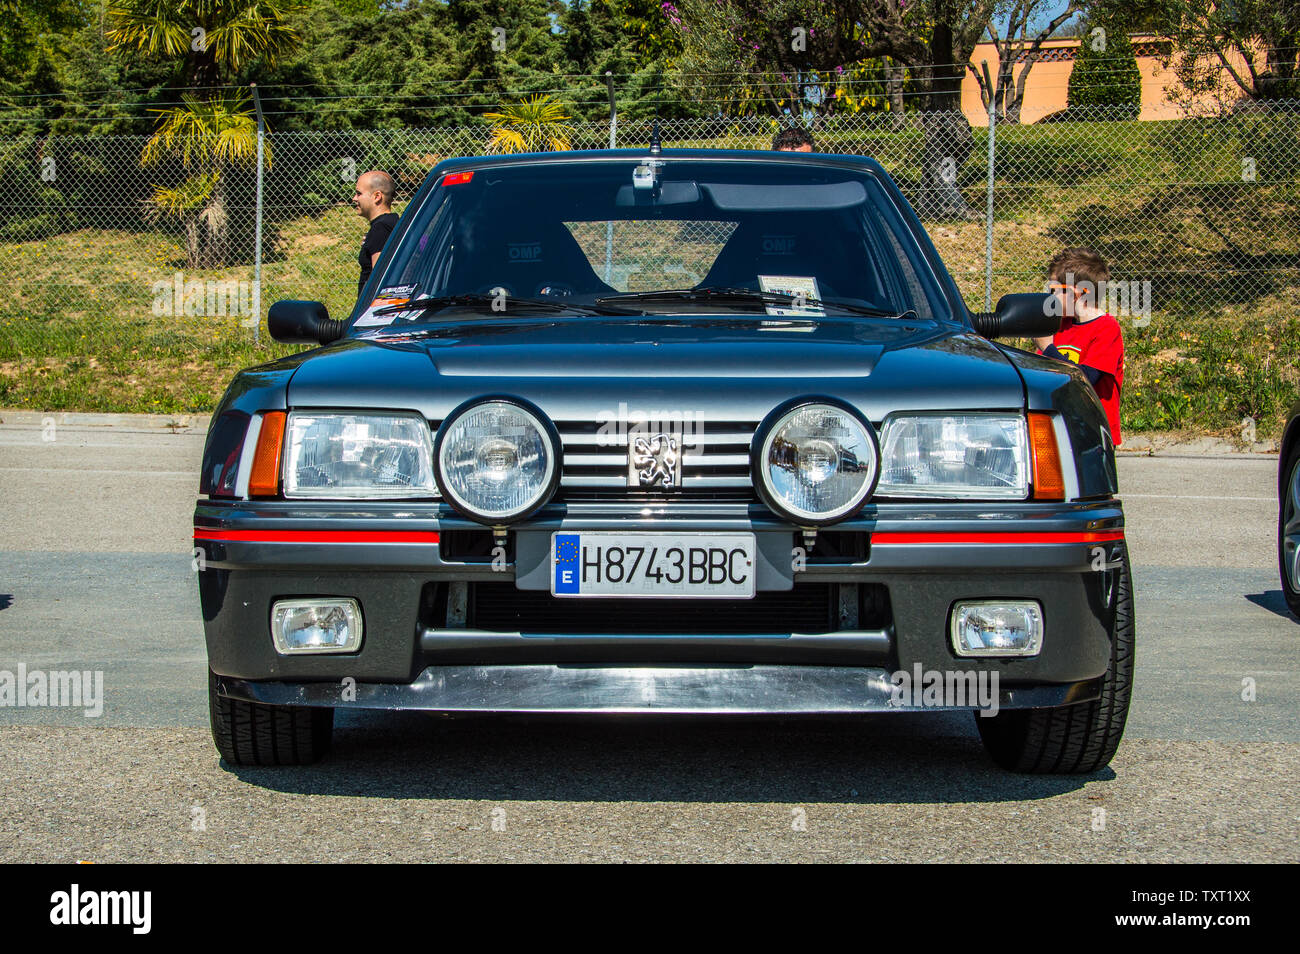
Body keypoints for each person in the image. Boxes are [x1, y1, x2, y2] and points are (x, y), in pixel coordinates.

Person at [1033, 247, 1126, 445]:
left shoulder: (1106, 329)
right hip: (1062, 426)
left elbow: (1085, 380)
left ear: (1074, 294)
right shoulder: (1059, 326)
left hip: (1094, 431)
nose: (1049, 298)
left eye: (1053, 291)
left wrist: (1048, 348)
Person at [352, 170, 399, 295]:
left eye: (358, 193)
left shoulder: (381, 228)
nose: (354, 198)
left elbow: (380, 277)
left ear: (377, 196)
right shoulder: (392, 222)